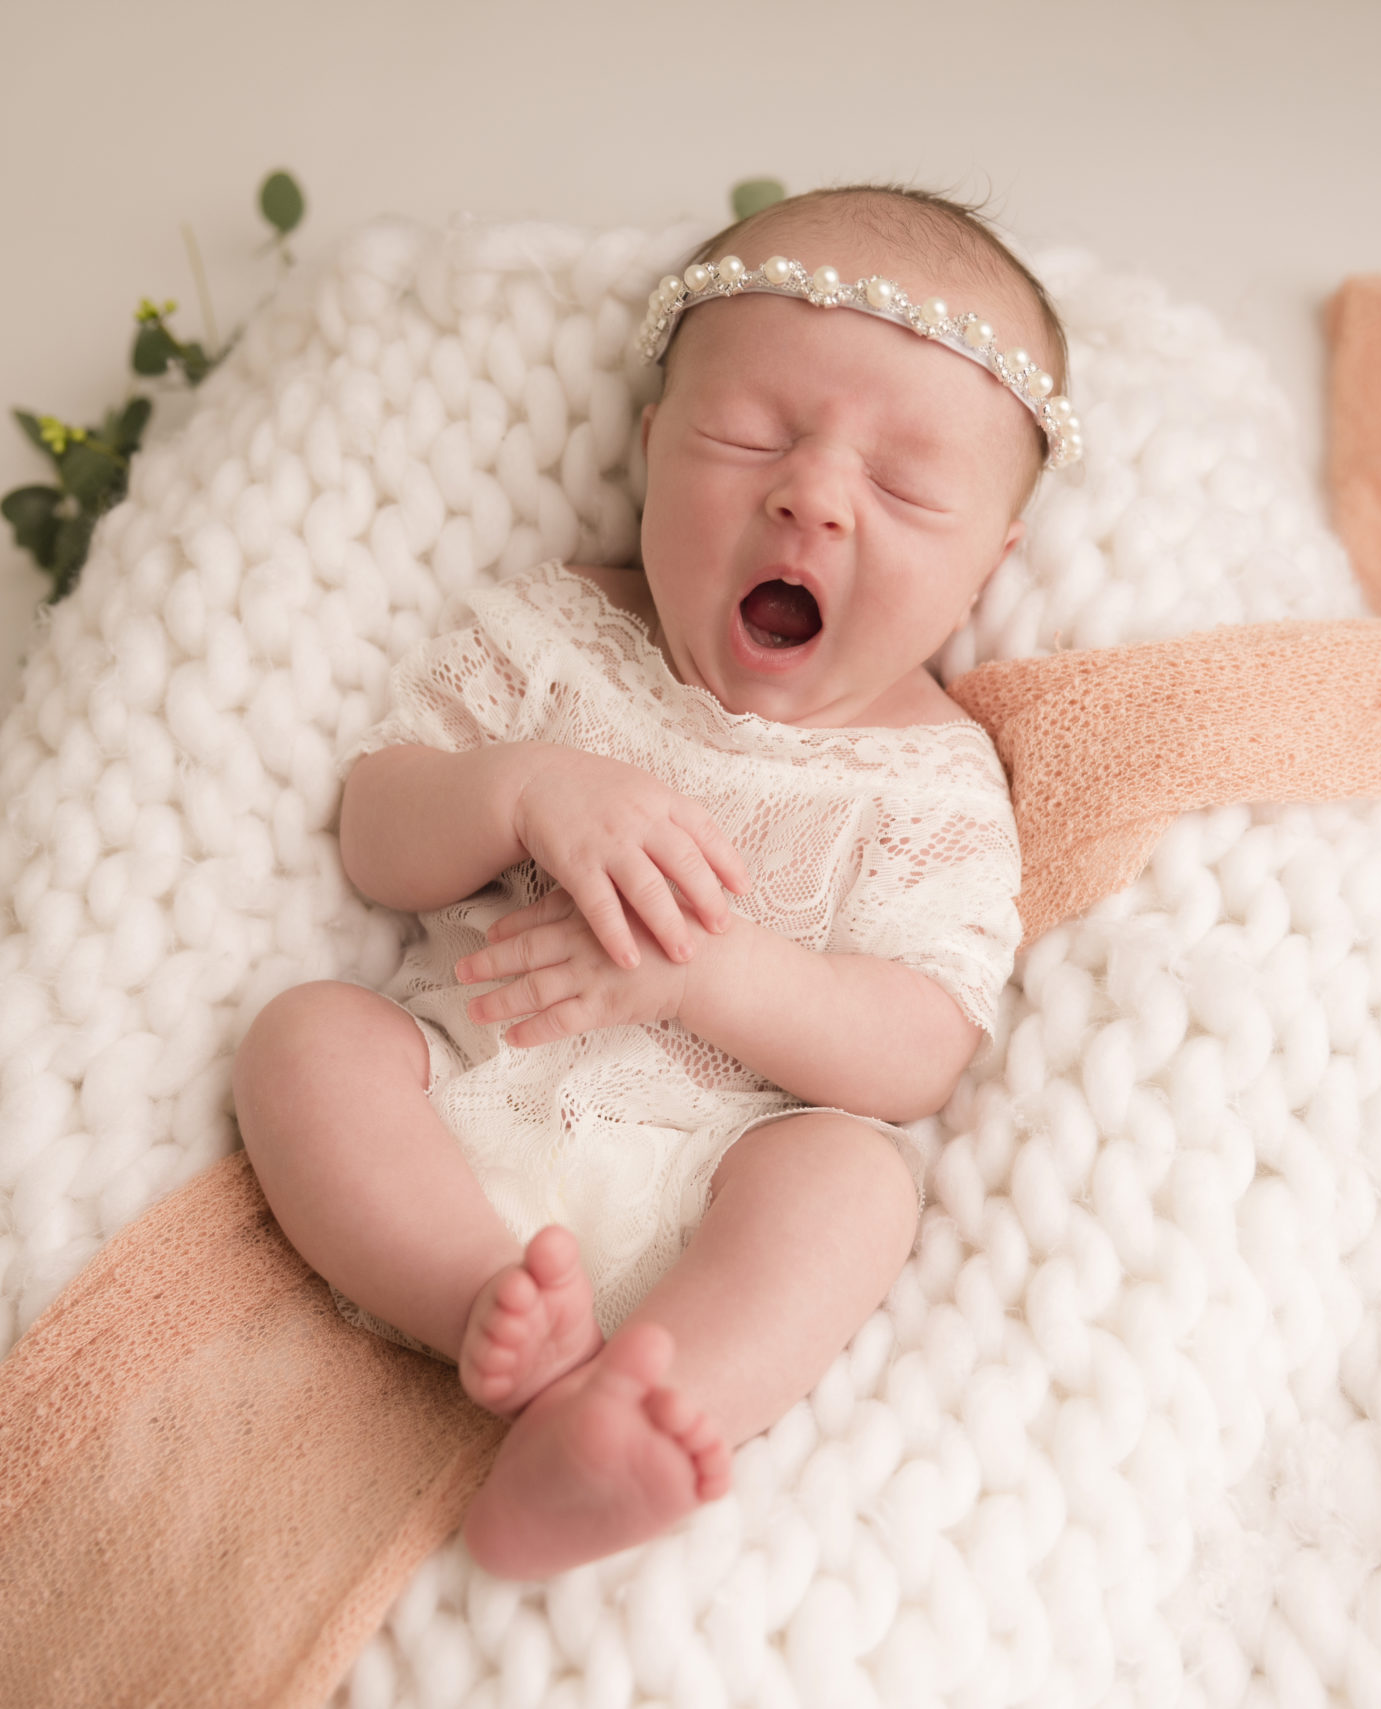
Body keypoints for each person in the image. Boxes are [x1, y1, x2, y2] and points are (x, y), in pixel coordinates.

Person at [234, 185, 1076, 1577]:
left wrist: (707, 969)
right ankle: (486, 1308)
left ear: (987, 565)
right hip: (454, 1098)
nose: (812, 495)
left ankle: (634, 1413)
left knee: (853, 1183)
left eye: (905, 486)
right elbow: (377, 832)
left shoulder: (931, 781)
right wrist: (521, 788)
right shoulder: (553, 636)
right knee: (305, 1039)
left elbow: (921, 1044)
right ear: (649, 448)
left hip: (704, 1187)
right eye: (750, 435)